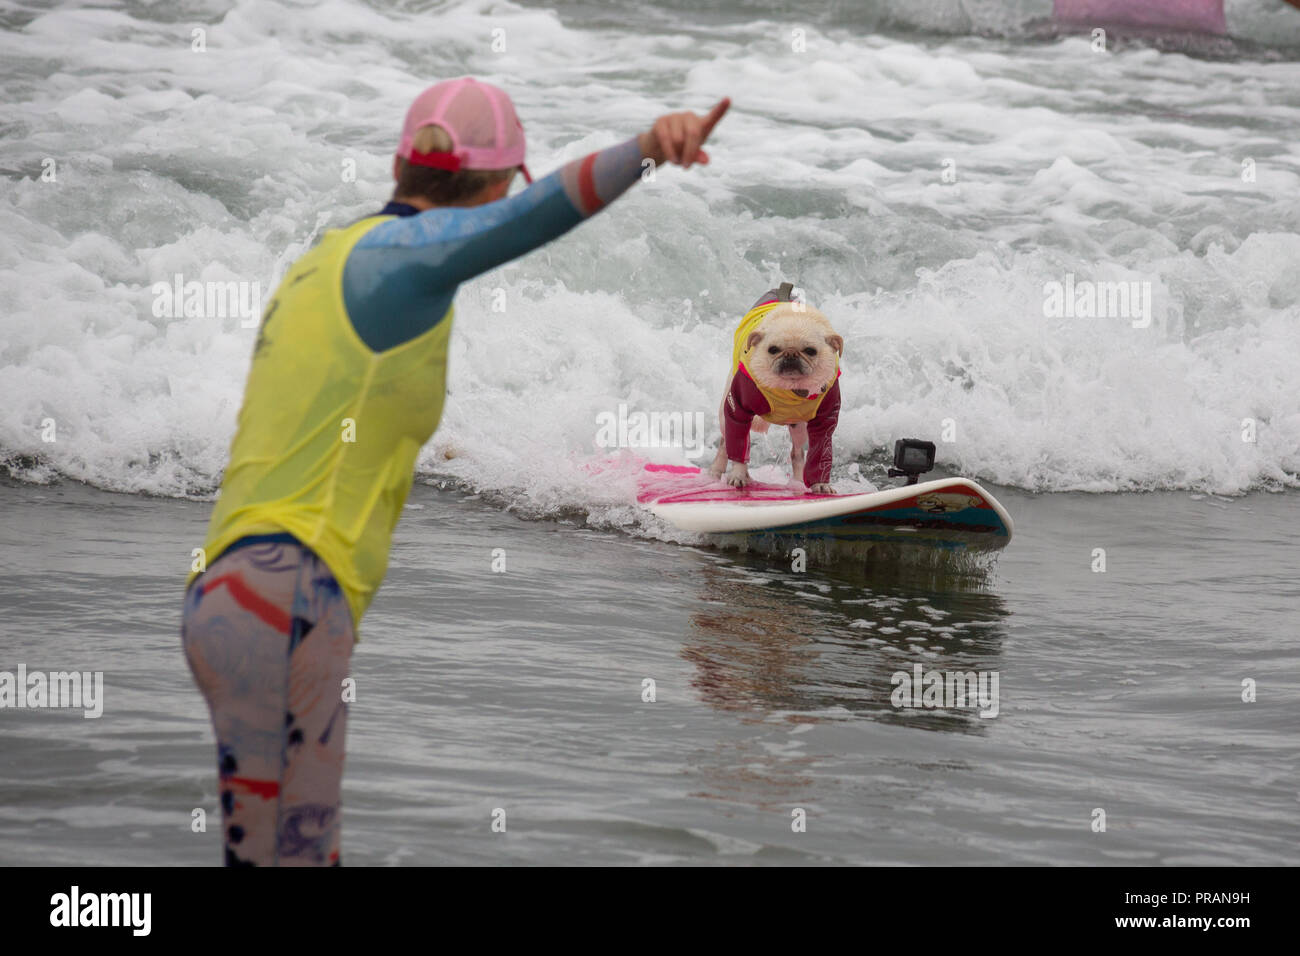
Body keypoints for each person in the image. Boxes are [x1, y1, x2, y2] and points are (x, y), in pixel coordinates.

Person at [181, 77, 730, 865]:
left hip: (228, 596)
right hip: (291, 593)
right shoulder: (402, 260)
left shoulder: (330, 258)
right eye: (512, 185)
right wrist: (646, 149)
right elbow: (525, 222)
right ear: (498, 183)